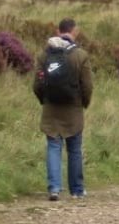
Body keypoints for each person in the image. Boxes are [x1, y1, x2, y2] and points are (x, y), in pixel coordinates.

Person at [33, 17, 93, 201]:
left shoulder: (44, 55)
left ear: (59, 31)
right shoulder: (81, 55)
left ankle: (54, 188)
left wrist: (44, 100)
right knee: (74, 147)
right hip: (73, 107)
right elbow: (87, 85)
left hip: (51, 107)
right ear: (74, 31)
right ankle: (76, 189)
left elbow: (37, 84)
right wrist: (84, 103)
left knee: (53, 146)